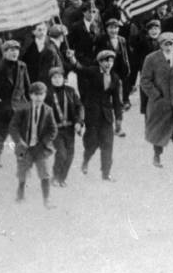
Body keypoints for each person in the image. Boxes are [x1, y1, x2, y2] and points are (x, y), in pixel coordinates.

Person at [140, 33, 173, 172]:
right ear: (160, 44)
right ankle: (157, 156)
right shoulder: (151, 58)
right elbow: (145, 81)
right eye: (165, 44)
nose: (169, 46)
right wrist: (156, 96)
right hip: (160, 103)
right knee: (159, 130)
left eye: (171, 43)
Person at [74, 49, 123, 181]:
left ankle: (106, 173)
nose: (108, 64)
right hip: (92, 114)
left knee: (108, 145)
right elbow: (80, 69)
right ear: (100, 62)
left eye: (111, 61)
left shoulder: (115, 77)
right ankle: (86, 159)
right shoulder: (93, 71)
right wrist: (73, 59)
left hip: (106, 116)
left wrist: (118, 119)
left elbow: (117, 101)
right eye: (105, 61)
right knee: (92, 143)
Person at [9, 82, 58, 208]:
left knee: (45, 173)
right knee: (22, 171)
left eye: (41, 94)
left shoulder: (48, 110)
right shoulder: (22, 109)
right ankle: (20, 196)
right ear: (30, 95)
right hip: (24, 147)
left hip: (41, 148)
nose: (38, 98)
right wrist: (19, 141)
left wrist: (44, 143)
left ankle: (47, 200)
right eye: (35, 94)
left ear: (45, 95)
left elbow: (53, 130)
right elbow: (13, 126)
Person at [0, 40, 31, 167]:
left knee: (22, 134)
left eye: (16, 50)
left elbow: (27, 86)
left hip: (20, 105)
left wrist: (29, 103)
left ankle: (21, 157)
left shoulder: (22, 66)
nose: (14, 53)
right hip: (2, 107)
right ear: (4, 52)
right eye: (11, 50)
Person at [45, 66, 83, 187]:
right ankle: (55, 177)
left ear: (64, 78)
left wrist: (79, 122)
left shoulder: (70, 91)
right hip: (56, 130)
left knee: (70, 155)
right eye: (54, 77)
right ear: (50, 80)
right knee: (61, 153)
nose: (57, 80)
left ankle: (62, 178)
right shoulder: (47, 94)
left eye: (59, 77)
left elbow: (79, 107)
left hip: (70, 129)